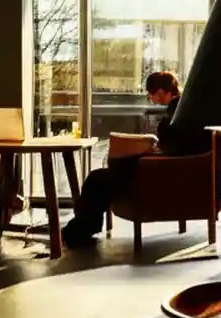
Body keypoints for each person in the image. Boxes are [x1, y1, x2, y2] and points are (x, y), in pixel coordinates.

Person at [61, 71, 207, 247]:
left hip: (154, 175)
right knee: (100, 178)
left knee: (96, 180)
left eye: (151, 93)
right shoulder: (188, 111)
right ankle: (82, 228)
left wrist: (145, 151)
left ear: (161, 91)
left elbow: (172, 146)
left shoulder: (177, 115)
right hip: (165, 171)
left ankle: (80, 229)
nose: (150, 98)